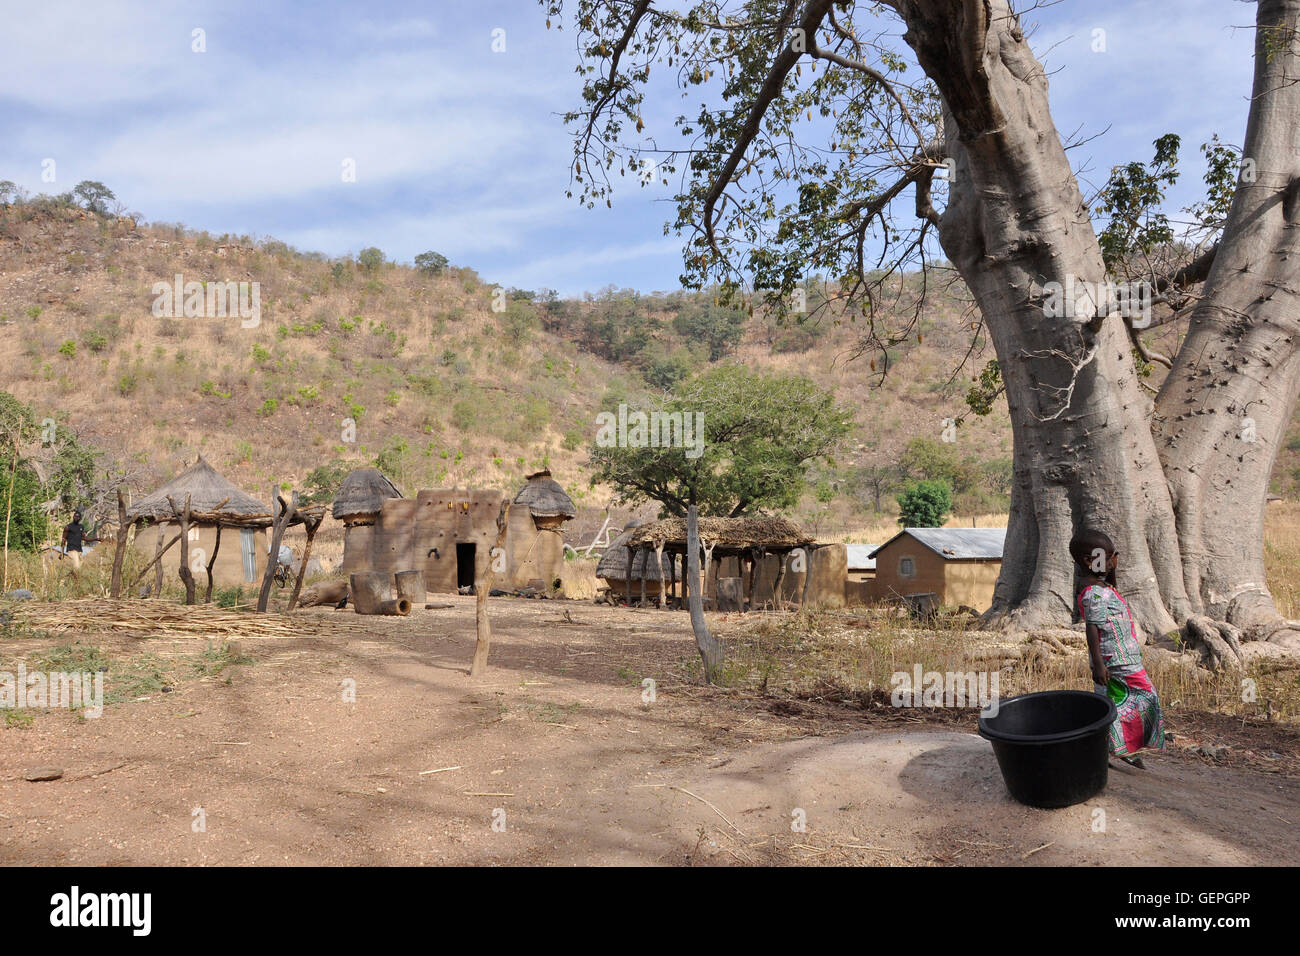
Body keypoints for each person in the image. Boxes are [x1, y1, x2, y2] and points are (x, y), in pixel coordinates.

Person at [1070, 528, 1166, 768]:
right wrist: (1099, 665)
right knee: (1143, 697)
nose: (1114, 561)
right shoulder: (1093, 593)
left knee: (1112, 705)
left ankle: (1119, 748)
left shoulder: (1101, 587)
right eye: (1108, 556)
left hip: (1124, 658)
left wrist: (1110, 570)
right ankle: (1112, 748)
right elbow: (1092, 628)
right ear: (1088, 561)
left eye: (1114, 556)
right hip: (1114, 661)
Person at [59, 510, 91, 574]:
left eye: (78, 517)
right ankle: (77, 582)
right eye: (75, 516)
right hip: (71, 550)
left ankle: (69, 576)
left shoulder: (81, 527)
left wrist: (97, 539)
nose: (76, 518)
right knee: (77, 567)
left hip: (79, 550)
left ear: (80, 518)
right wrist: (62, 552)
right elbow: (63, 540)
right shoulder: (68, 527)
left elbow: (85, 538)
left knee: (80, 567)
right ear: (73, 517)